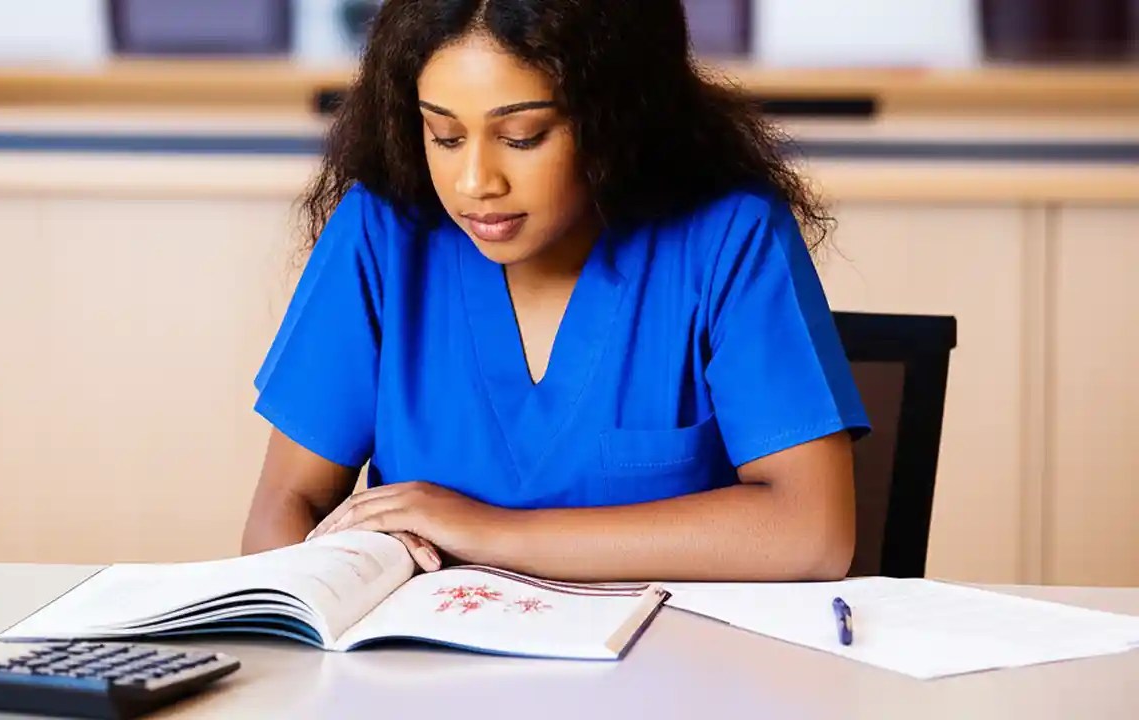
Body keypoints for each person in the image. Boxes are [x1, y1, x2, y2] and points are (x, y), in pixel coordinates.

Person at [241, 0, 870, 582]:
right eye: (444, 136)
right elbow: (284, 506)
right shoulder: (383, 232)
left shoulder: (729, 236)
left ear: (616, 115)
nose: (475, 181)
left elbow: (811, 533)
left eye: (522, 137)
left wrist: (486, 531)